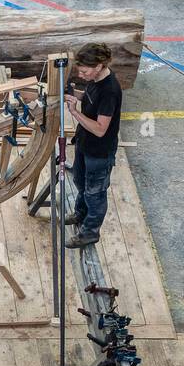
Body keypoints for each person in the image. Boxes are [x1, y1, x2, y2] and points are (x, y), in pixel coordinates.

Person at [64, 42, 122, 249]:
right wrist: (76, 95)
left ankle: (90, 233)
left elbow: (100, 129)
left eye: (84, 71)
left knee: (95, 194)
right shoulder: (95, 79)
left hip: (99, 152)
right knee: (80, 181)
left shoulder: (110, 91)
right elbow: (89, 97)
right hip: (84, 142)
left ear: (98, 66)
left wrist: (74, 112)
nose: (81, 75)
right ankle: (80, 214)